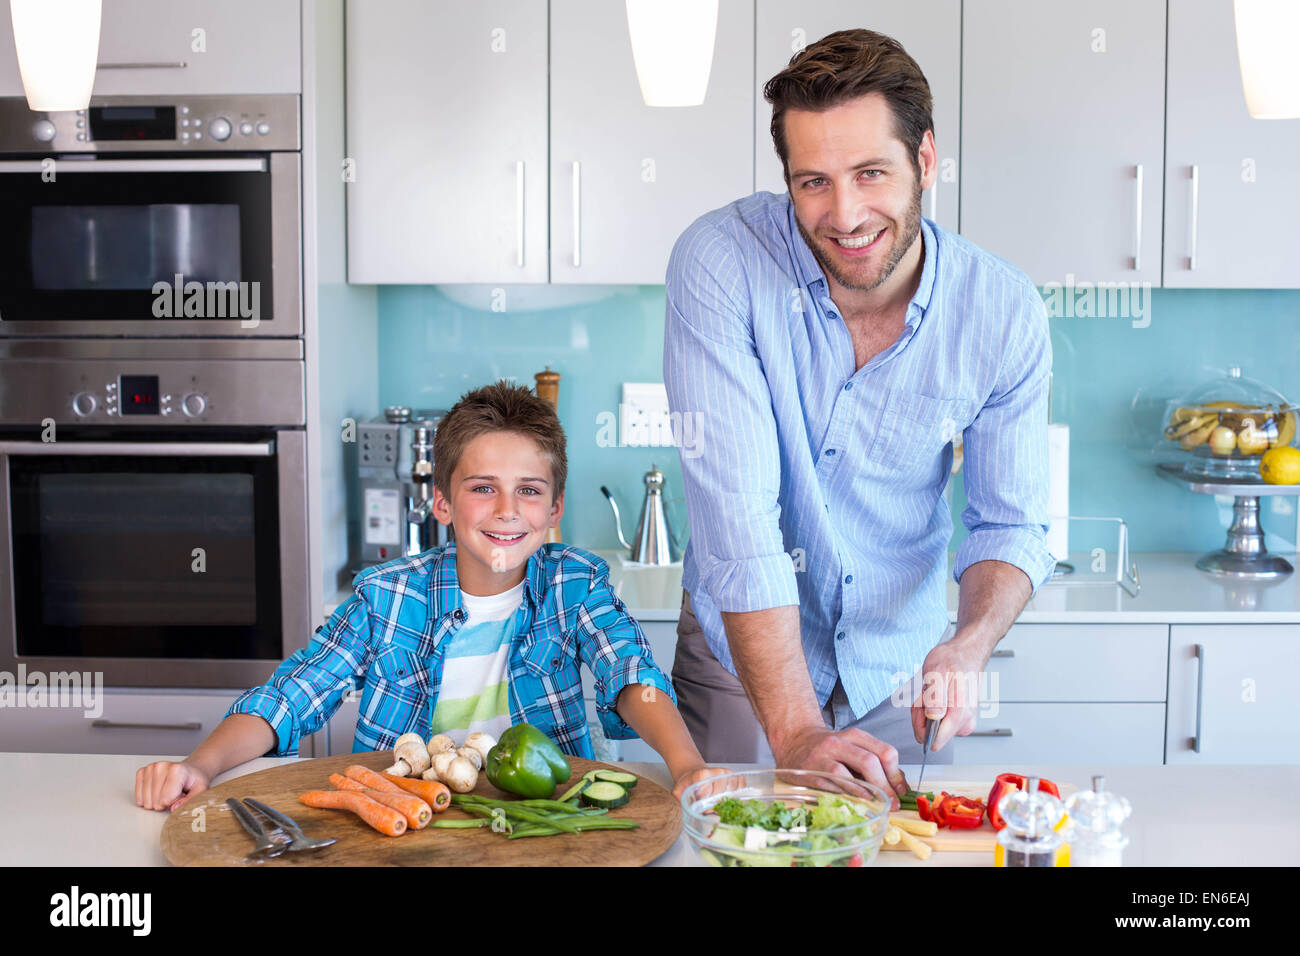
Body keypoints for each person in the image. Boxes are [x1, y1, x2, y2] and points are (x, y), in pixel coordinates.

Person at [663, 29, 1055, 800]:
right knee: (735, 851)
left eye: (870, 173)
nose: (844, 215)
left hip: (895, 669)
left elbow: (1010, 522)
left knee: (894, 849)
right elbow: (738, 522)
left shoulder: (1002, 312)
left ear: (927, 160)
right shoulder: (720, 262)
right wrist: (797, 729)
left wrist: (967, 645)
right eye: (812, 182)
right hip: (744, 666)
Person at [136, 383, 726, 811]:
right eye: (481, 489)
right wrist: (200, 765)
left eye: (528, 490)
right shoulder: (387, 598)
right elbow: (291, 696)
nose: (506, 510)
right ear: (442, 503)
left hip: (541, 829)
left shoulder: (575, 585)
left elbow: (630, 672)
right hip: (410, 827)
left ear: (554, 510)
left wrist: (686, 764)